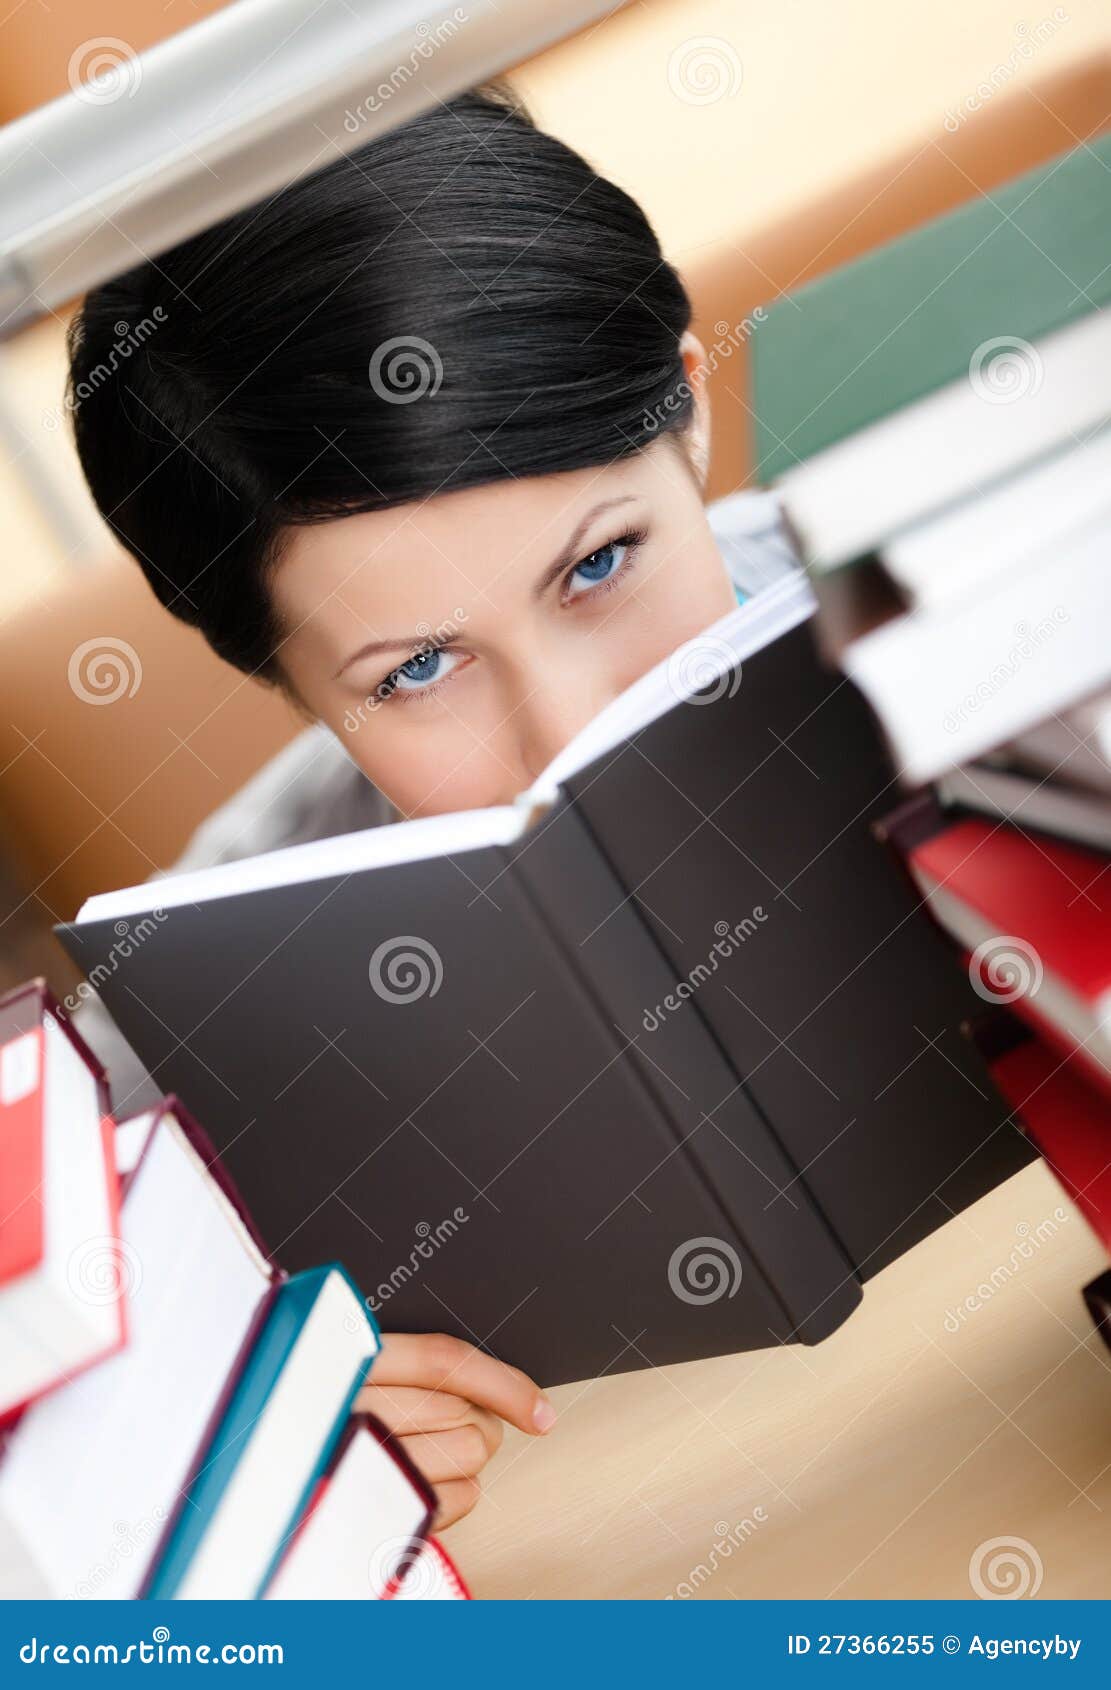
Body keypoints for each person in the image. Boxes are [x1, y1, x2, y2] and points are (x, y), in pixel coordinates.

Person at [64, 82, 798, 1530]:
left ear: (691, 408)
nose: (573, 738)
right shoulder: (207, 1003)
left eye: (599, 565)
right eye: (415, 669)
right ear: (286, 684)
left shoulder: (1001, 602)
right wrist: (207, 1421)